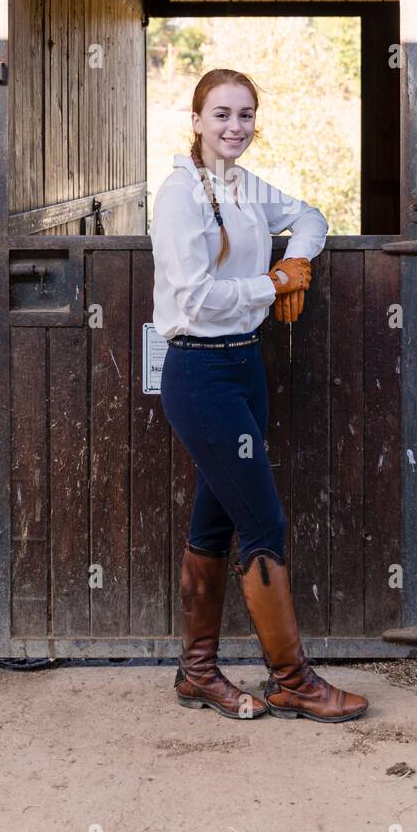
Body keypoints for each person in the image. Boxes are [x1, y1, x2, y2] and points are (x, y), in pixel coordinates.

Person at [150, 67, 368, 724]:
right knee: (264, 522)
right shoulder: (179, 195)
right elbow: (194, 297)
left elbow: (311, 214)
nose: (234, 126)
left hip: (245, 367)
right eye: (220, 114)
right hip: (199, 372)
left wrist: (297, 260)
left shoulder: (243, 185)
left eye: (245, 114)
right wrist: (273, 286)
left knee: (214, 521)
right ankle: (293, 681)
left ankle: (196, 673)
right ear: (195, 121)